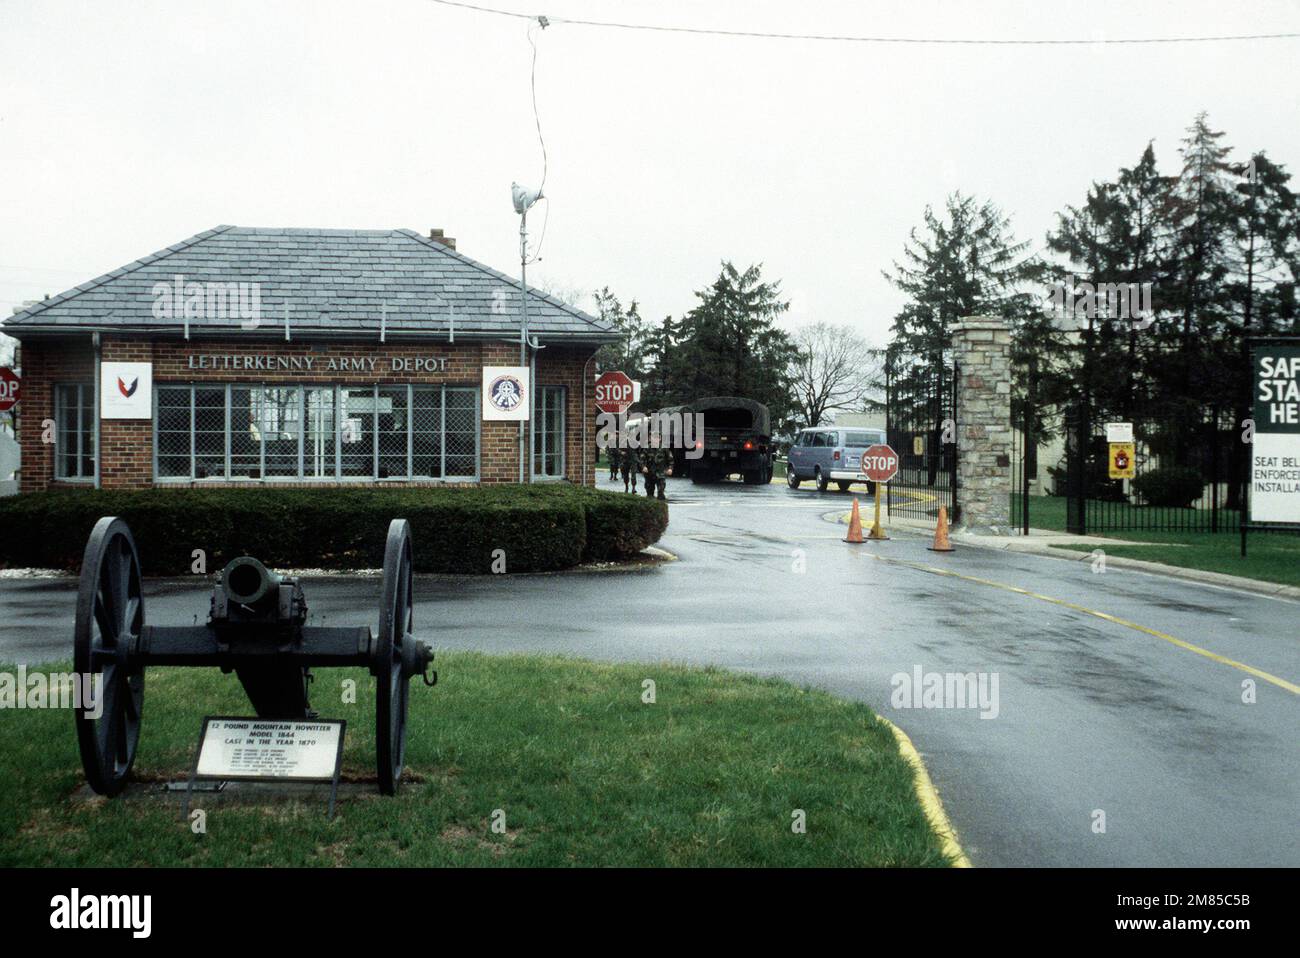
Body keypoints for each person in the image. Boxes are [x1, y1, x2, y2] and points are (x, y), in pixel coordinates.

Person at [639, 434, 672, 501]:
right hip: (649, 474)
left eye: (657, 438)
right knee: (650, 494)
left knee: (661, 493)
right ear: (650, 439)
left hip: (660, 473)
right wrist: (643, 467)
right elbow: (642, 459)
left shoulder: (664, 448)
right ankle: (650, 509)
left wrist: (670, 468)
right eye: (653, 438)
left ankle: (661, 508)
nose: (655, 439)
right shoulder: (646, 448)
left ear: (660, 439)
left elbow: (670, 459)